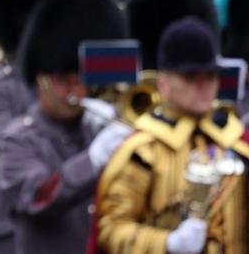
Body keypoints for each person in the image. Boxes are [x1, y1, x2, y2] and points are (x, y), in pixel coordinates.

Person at [0, 0, 133, 254]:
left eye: (81, 78)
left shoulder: (100, 129)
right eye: (63, 80)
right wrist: (92, 160)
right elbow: (39, 197)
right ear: (41, 77)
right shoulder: (18, 139)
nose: (76, 90)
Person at [95, 17, 249, 252]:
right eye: (190, 77)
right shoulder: (143, 151)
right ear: (164, 83)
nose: (203, 85)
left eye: (210, 76)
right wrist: (166, 243)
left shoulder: (237, 142)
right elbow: (111, 229)